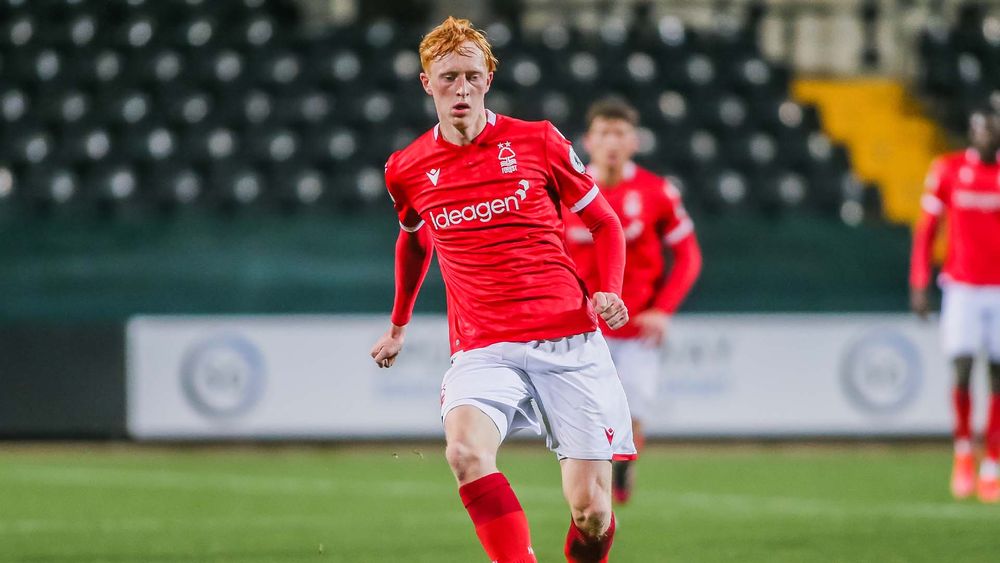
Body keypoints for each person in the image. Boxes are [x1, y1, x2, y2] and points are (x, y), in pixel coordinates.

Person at [369, 17, 637, 562]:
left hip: (567, 340)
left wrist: (609, 290)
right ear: (426, 82)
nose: (461, 89)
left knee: (591, 513)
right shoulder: (407, 169)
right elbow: (414, 242)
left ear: (488, 78)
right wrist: (398, 326)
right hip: (483, 346)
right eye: (448, 77)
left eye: (472, 76)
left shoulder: (539, 141)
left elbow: (604, 222)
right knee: (465, 452)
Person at [563, 98, 702, 504]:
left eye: (620, 133)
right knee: (584, 414)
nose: (612, 142)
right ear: (588, 141)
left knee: (632, 413)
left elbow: (689, 255)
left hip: (636, 327)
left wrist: (663, 310)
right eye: (604, 133)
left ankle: (620, 469)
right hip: (580, 328)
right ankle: (594, 482)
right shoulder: (564, 190)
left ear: (634, 142)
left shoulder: (657, 192)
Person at [911, 108, 1000, 503]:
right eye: (979, 129)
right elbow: (927, 229)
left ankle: (992, 462)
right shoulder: (947, 170)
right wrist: (919, 280)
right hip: (962, 287)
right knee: (962, 369)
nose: (985, 135)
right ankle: (964, 451)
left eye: (991, 129)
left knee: (998, 377)